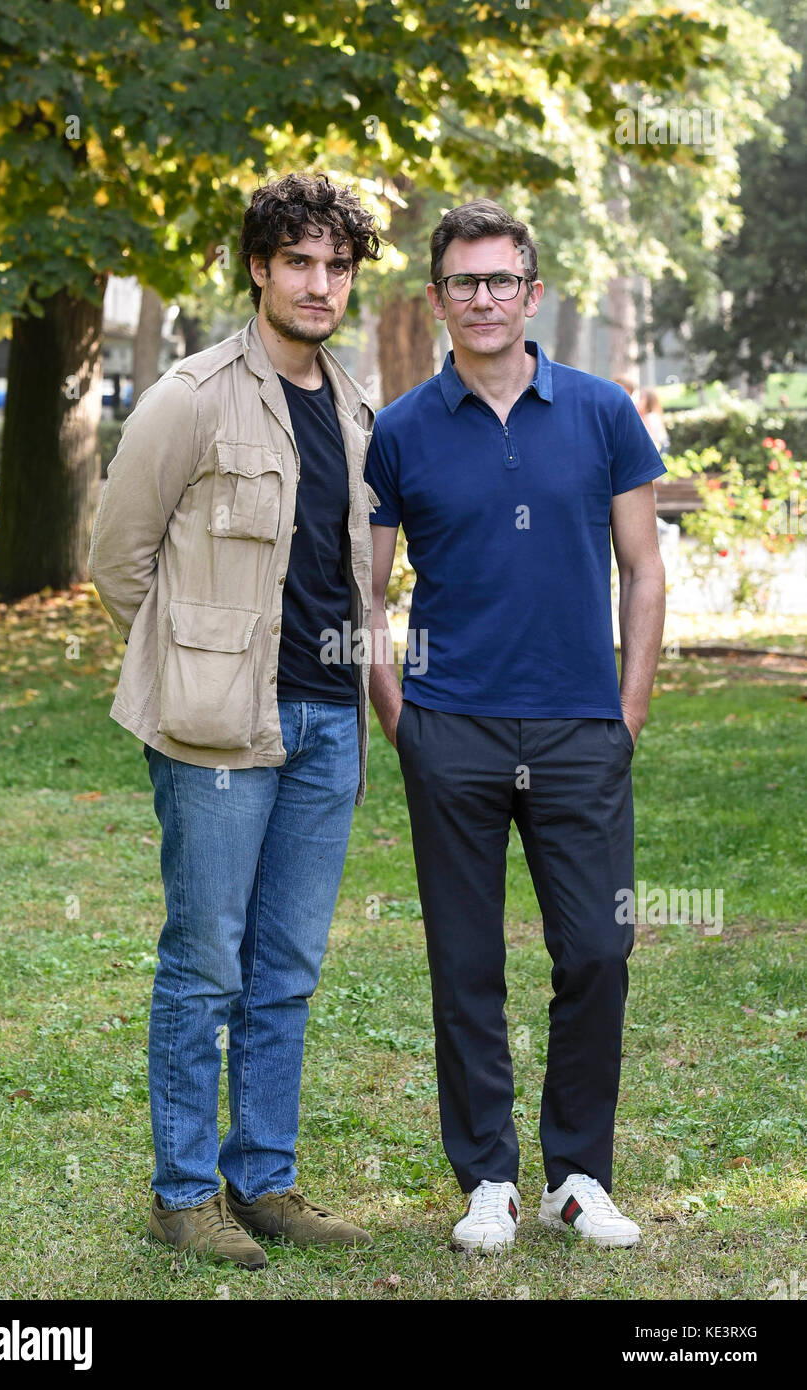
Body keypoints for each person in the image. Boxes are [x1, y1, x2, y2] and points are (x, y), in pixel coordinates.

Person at [88, 173, 381, 1269]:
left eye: (335, 265)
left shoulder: (353, 405)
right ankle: (181, 1191)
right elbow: (119, 561)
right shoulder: (191, 395)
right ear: (258, 267)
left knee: (288, 965)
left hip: (326, 723)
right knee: (205, 961)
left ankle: (262, 1180)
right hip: (218, 732)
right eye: (297, 261)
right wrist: (193, 667)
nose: (317, 283)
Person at [364, 199, 667, 1254]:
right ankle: (485, 1174)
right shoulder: (399, 429)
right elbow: (367, 596)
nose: (481, 298)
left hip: (581, 731)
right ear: (436, 296)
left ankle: (576, 1174)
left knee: (596, 948)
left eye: (500, 280)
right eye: (461, 281)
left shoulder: (600, 412)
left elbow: (643, 569)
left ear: (531, 295)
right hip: (450, 730)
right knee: (464, 959)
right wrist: (398, 715)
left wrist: (626, 707)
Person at [637, 386, 670, 454]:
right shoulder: (649, 415)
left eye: (641, 399)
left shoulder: (651, 417)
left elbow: (649, 437)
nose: (638, 402)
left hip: (659, 446)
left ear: (649, 401)